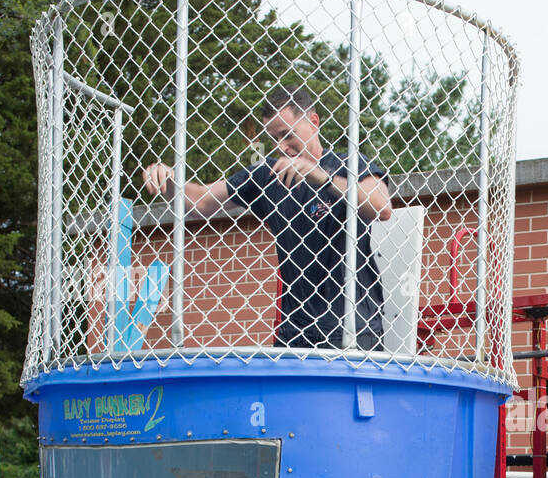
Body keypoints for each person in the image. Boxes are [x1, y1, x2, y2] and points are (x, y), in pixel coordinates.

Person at [141, 86, 394, 351]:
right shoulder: (269, 175)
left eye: (288, 135)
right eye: (274, 138)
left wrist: (319, 175)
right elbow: (202, 201)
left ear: (313, 121)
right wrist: (169, 183)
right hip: (295, 331)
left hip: (352, 327)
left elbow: (381, 207)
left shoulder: (348, 164)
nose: (282, 146)